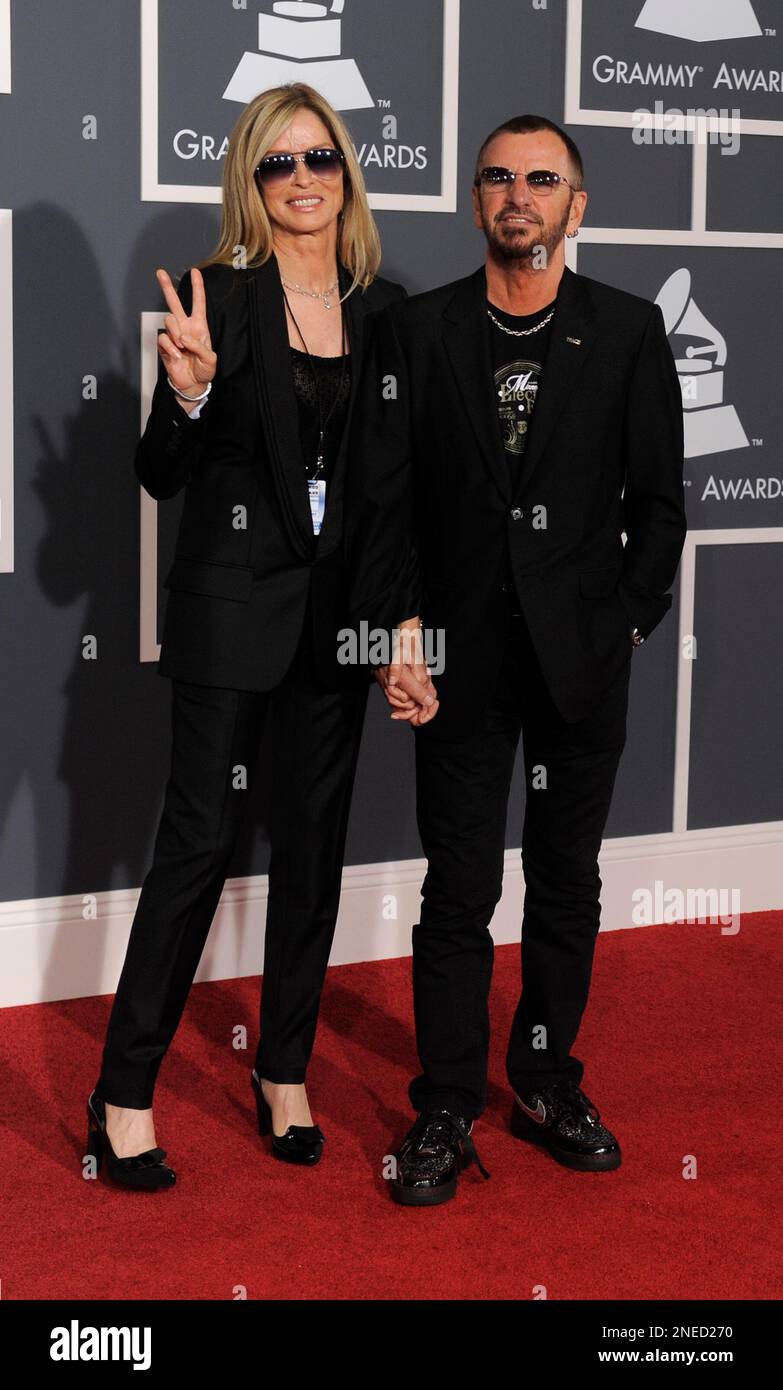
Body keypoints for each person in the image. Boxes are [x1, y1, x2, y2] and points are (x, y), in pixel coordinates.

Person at [87, 81, 433, 1190]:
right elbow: (157, 476)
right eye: (277, 162)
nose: (301, 180)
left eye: (319, 158)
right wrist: (183, 395)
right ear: (251, 179)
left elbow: (391, 497)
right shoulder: (219, 304)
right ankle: (124, 1094)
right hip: (230, 625)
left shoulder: (388, 314)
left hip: (336, 633)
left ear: (345, 173)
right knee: (194, 852)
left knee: (315, 857)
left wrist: (399, 632)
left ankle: (282, 1070)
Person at [345, 113, 687, 1205]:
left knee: (565, 881)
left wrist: (625, 619)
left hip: (582, 658)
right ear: (474, 198)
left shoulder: (629, 332)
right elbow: (385, 507)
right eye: (497, 177)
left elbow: (662, 507)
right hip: (458, 662)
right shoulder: (420, 331)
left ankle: (541, 1080)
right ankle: (446, 1101)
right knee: (458, 887)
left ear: (575, 206)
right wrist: (401, 632)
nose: (517, 197)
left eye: (542, 180)